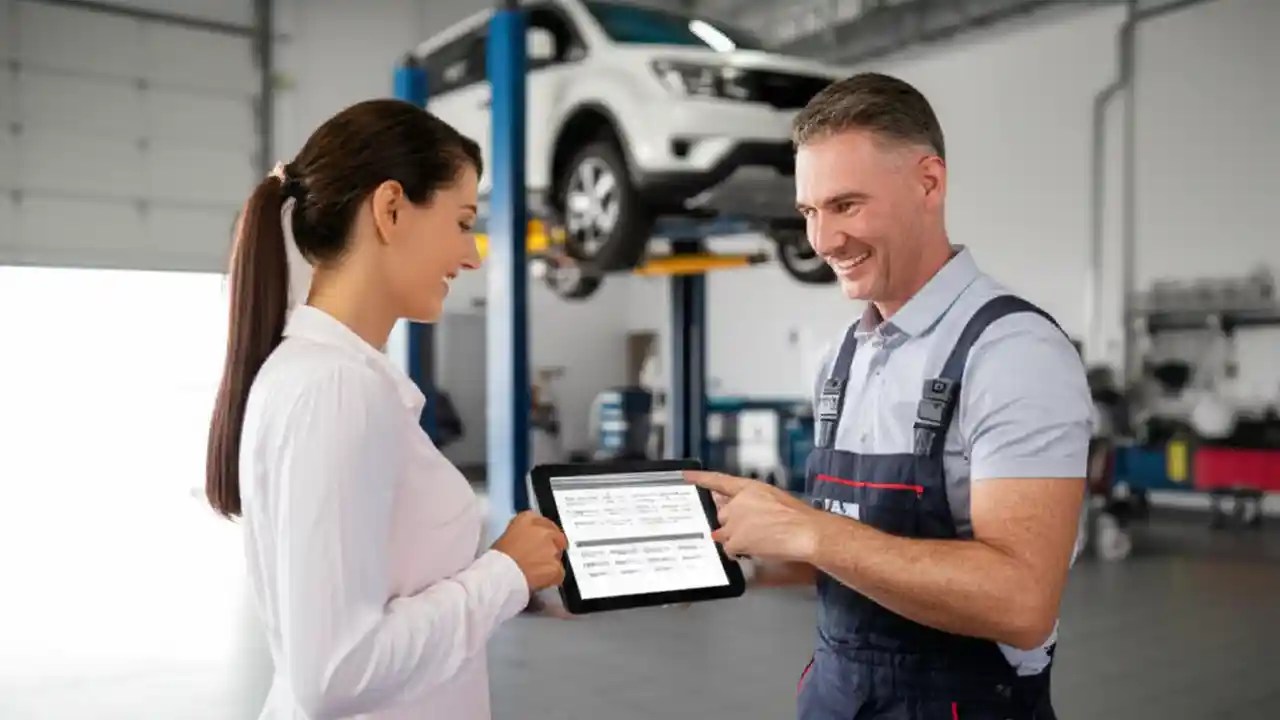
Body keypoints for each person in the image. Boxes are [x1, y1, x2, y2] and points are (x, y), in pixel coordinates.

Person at [689, 73, 1091, 719]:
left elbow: (1022, 602)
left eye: (846, 206)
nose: (822, 242)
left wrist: (810, 531)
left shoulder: (1014, 354)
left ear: (929, 183)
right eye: (810, 212)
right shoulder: (841, 360)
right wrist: (754, 545)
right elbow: (859, 553)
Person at [204, 99, 568, 720]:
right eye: (462, 223)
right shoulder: (335, 389)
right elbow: (336, 674)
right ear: (391, 208)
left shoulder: (322, 375)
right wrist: (505, 573)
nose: (473, 256)